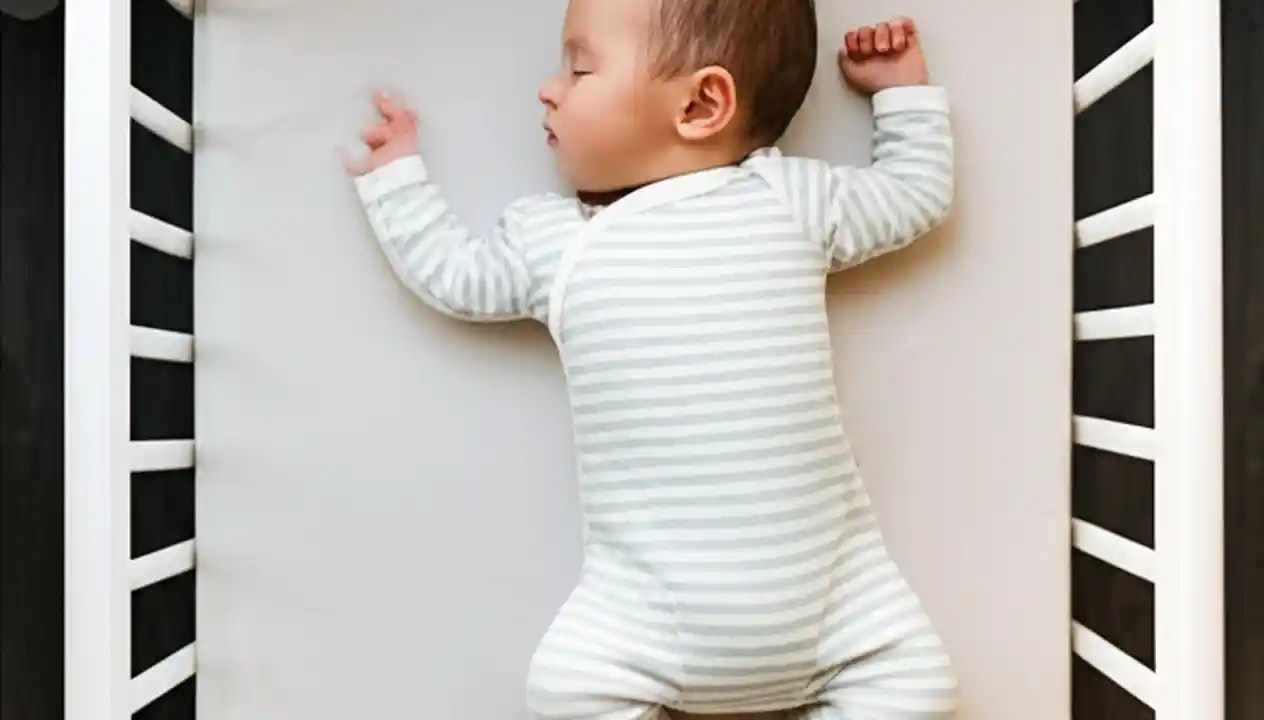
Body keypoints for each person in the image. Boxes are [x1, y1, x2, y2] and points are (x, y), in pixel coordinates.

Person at [345, 1, 956, 717]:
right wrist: (398, 180)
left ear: (700, 105)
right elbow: (458, 276)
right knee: (568, 690)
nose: (547, 89)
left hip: (840, 610)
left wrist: (900, 92)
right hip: (642, 619)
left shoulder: (788, 199)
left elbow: (913, 195)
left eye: (579, 69)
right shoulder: (558, 241)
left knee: (918, 685)